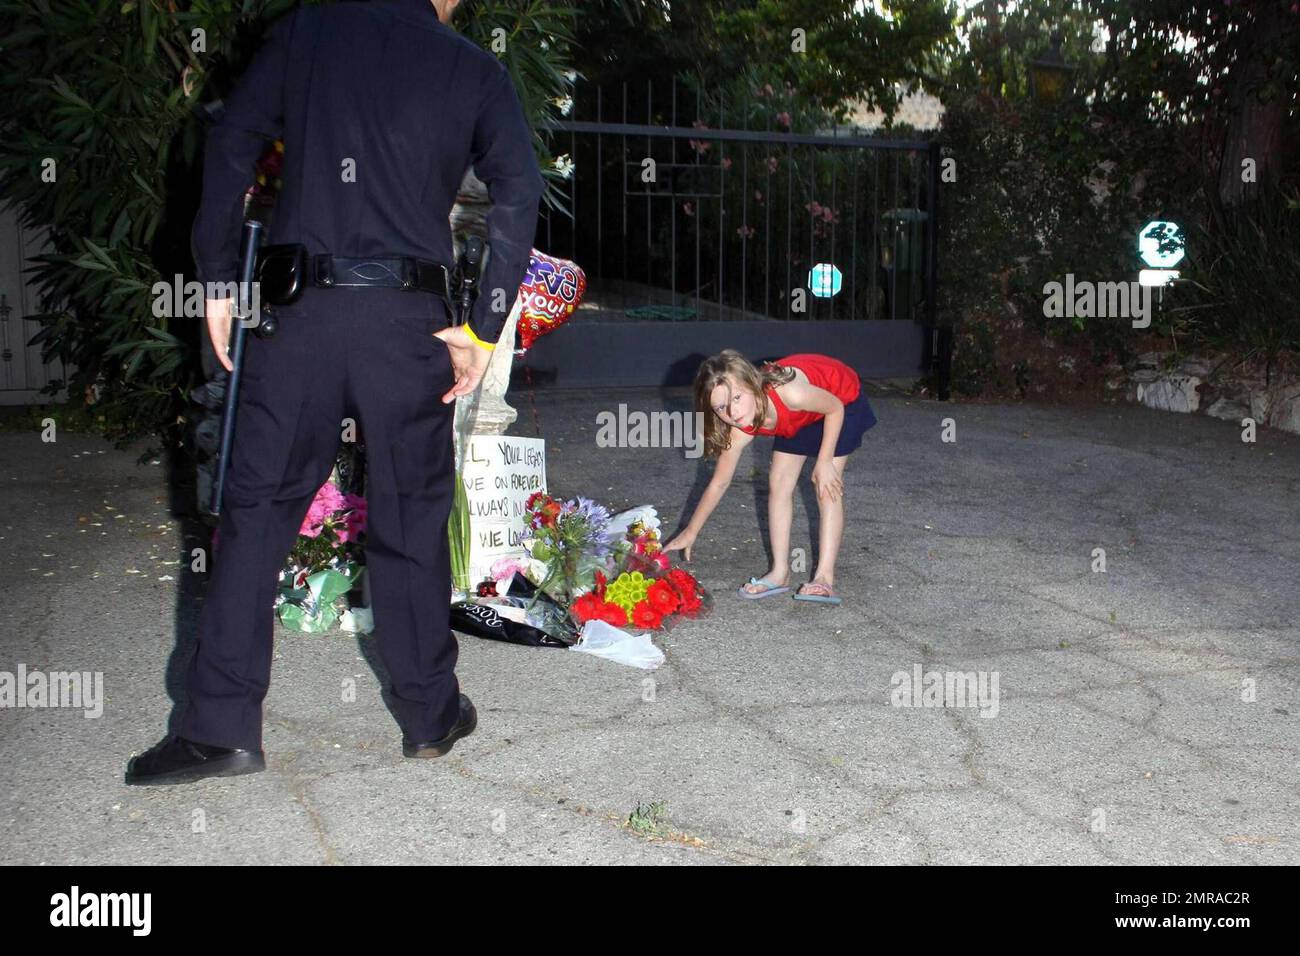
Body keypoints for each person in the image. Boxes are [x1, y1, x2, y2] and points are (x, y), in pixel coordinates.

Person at [126, 0, 544, 785]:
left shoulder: (307, 28)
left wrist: (217, 276)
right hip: (409, 327)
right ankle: (428, 714)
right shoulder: (473, 69)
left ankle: (220, 729)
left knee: (254, 513)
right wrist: (484, 330)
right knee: (411, 516)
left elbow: (231, 138)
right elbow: (519, 194)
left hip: (299, 320)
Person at [663, 350, 877, 606]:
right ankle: (779, 572)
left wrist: (824, 461)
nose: (732, 411)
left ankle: (824, 577)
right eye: (720, 407)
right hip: (800, 415)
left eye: (737, 398)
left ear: (752, 384)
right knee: (778, 483)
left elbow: (834, 408)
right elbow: (719, 482)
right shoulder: (740, 425)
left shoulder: (791, 393)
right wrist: (691, 530)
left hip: (839, 401)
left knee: (825, 485)